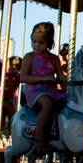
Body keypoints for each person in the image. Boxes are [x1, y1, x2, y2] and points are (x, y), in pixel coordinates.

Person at [20, 22, 65, 153]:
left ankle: (58, 133)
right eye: (34, 41)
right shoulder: (30, 57)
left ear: (49, 43)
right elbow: (23, 77)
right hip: (35, 91)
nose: (36, 45)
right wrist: (45, 79)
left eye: (41, 42)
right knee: (48, 103)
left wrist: (63, 79)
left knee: (68, 103)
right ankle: (39, 140)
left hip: (51, 90)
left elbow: (61, 75)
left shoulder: (54, 58)